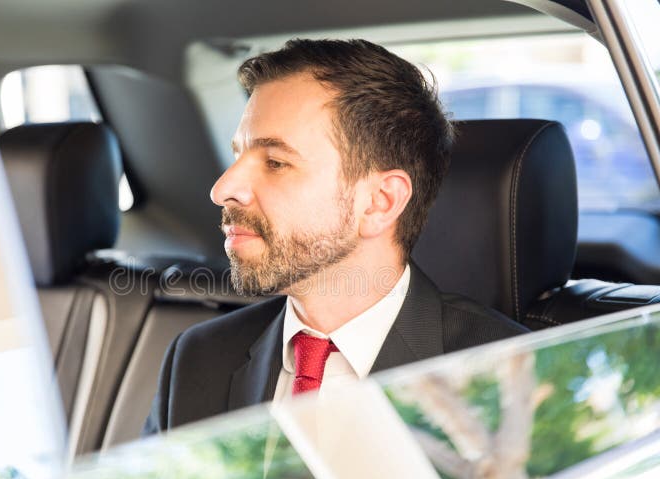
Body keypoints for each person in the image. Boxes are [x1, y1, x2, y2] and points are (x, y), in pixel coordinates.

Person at [143, 38, 526, 434]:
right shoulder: (197, 360)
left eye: (275, 162)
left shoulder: (507, 375)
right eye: (237, 156)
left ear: (379, 202)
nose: (222, 189)